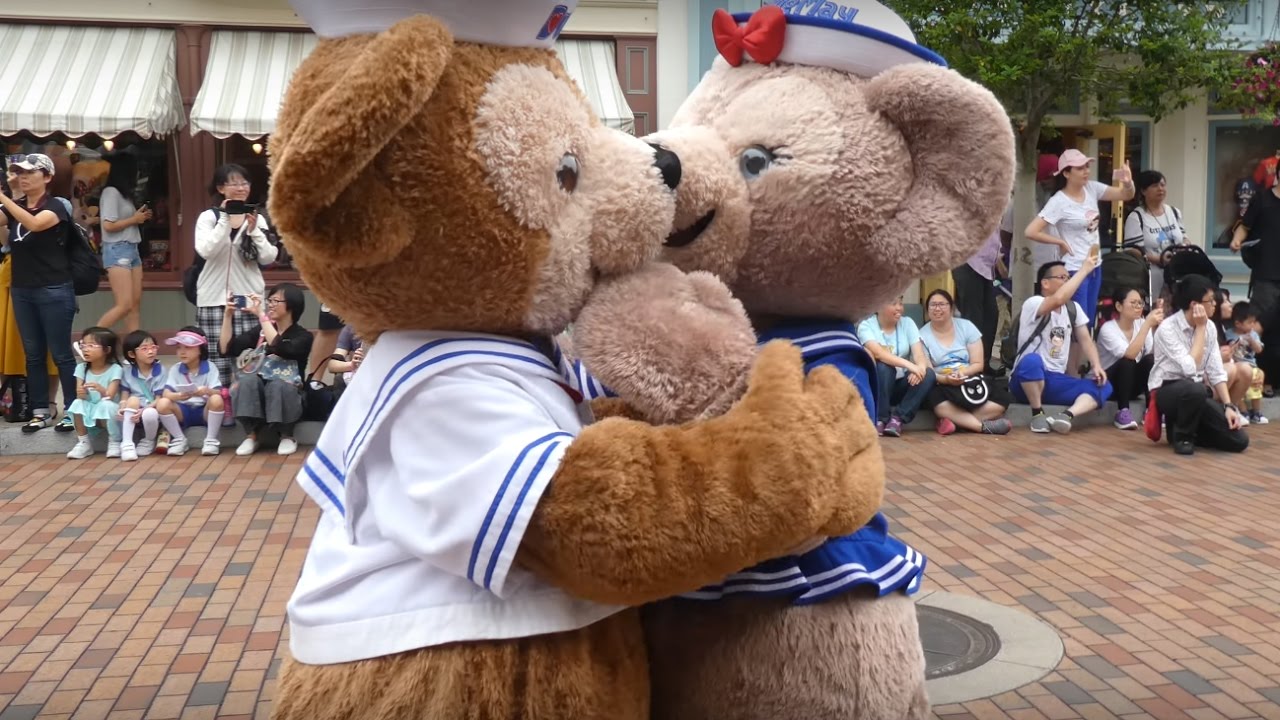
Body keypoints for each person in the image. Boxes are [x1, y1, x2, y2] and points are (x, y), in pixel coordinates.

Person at [0, 154, 77, 433]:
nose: (23, 177)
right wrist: (9, 193)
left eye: (30, 173)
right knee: (32, 355)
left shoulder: (57, 205)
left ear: (47, 177)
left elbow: (34, 224)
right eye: (19, 172)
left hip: (54, 288)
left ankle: (72, 410)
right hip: (22, 289)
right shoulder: (15, 205)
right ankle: (40, 410)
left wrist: (6, 198)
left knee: (61, 354)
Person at [1025, 150, 1135, 329]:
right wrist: (1059, 241)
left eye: (1086, 166)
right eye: (1079, 168)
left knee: (1088, 321)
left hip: (1094, 265)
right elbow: (1031, 231)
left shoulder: (1091, 188)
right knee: (1077, 323)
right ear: (1066, 173)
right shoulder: (1059, 201)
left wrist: (1128, 183)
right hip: (1074, 268)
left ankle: (1081, 357)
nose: (1086, 171)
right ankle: (1070, 357)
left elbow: (1125, 195)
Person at [194, 164, 279, 384]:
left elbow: (269, 257)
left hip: (249, 300)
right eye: (234, 183)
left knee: (250, 360)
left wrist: (254, 232)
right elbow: (206, 251)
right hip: (213, 300)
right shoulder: (208, 218)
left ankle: (248, 411)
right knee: (216, 360)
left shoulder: (256, 218)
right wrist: (224, 219)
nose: (241, 187)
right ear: (221, 188)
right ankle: (221, 409)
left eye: (245, 183)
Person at [1011, 254, 1113, 434]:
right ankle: (1037, 414)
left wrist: (1097, 366)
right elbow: (1057, 299)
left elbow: (1085, 340)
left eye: (1068, 277)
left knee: (1104, 385)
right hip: (1026, 380)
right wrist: (1084, 271)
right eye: (1062, 277)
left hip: (1055, 380)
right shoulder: (1034, 303)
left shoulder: (1073, 309)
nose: (1067, 281)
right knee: (1032, 361)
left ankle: (1066, 415)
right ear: (1045, 283)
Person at [1149, 274, 1249, 455]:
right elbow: (1190, 367)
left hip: (1196, 392)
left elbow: (1216, 371)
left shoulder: (1210, 326)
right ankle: (1182, 437)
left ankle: (1192, 431)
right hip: (1167, 390)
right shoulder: (1168, 328)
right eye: (1210, 301)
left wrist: (1228, 406)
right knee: (1196, 390)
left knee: (1239, 441)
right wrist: (1200, 328)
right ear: (1195, 305)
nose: (1214, 305)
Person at [221, 284, 313, 456]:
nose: (270, 304)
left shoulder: (304, 336)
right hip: (259, 395)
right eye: (269, 300)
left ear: (292, 305)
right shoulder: (260, 332)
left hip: (289, 396)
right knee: (247, 380)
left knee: (278, 384)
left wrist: (262, 316)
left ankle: (286, 435)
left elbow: (280, 348)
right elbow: (227, 349)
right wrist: (227, 315)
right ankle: (252, 435)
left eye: (276, 301)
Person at [919, 289, 1013, 435]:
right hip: (943, 382)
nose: (937, 308)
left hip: (969, 378)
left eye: (942, 304)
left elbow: (978, 364)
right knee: (934, 400)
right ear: (927, 310)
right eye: (933, 305)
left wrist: (962, 373)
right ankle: (981, 427)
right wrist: (947, 379)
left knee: (1002, 398)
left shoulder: (966, 327)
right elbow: (928, 371)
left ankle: (956, 422)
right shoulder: (921, 335)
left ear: (951, 308)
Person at [1230, 171, 1280, 398]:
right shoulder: (1262, 199)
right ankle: (1263, 380)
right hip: (1266, 273)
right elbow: (1245, 226)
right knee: (1261, 326)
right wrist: (1237, 239)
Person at [857, 295, 935, 437]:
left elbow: (919, 355)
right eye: (893, 303)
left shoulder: (908, 323)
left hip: (900, 385)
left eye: (900, 303)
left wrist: (921, 370)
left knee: (929, 374)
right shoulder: (866, 326)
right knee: (885, 367)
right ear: (878, 305)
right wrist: (911, 366)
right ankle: (880, 419)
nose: (899, 308)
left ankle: (897, 419)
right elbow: (879, 354)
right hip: (879, 385)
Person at [96, 153, 152, 332]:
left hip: (132, 248)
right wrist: (134, 219)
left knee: (134, 306)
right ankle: (90, 341)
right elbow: (108, 225)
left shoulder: (123, 194)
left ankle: (133, 352)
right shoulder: (111, 192)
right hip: (117, 248)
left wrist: (139, 217)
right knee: (124, 304)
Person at [1095, 287, 1160, 430]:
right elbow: (1129, 354)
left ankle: (1151, 410)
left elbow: (1150, 355)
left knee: (1150, 360)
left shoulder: (1142, 324)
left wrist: (1158, 328)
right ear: (1119, 306)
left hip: (1132, 385)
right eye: (1133, 303)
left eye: (1140, 303)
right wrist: (1147, 325)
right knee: (1127, 362)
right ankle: (1123, 411)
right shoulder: (1108, 329)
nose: (1138, 307)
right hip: (1109, 385)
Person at [118, 330, 187, 462]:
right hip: (134, 410)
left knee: (149, 412)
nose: (150, 351)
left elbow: (159, 399)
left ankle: (149, 439)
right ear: (132, 354)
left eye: (153, 347)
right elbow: (124, 395)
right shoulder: (126, 372)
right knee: (132, 400)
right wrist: (122, 407)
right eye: (144, 348)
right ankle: (127, 445)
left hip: (153, 410)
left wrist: (143, 410)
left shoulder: (160, 370)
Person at [953, 203, 1007, 367]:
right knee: (973, 317)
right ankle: (972, 366)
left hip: (987, 264)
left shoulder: (996, 198)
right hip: (967, 260)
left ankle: (983, 363)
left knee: (991, 315)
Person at [161, 327, 226, 457]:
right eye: (179, 348)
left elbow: (218, 392)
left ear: (200, 350)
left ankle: (211, 440)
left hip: (204, 410)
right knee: (163, 403)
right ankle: (179, 439)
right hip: (183, 410)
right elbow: (166, 393)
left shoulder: (210, 367)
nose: (182, 352)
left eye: (188, 347)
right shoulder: (175, 369)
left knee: (216, 400)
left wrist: (206, 391)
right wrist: (178, 396)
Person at [1123, 170, 1185, 303]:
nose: (1160, 189)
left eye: (1163, 185)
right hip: (1151, 274)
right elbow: (1132, 251)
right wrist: (1158, 259)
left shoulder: (1174, 212)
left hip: (1177, 272)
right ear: (1144, 191)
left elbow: (1184, 237)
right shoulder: (1136, 217)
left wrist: (1185, 248)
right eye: (1155, 186)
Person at [65, 327, 123, 460]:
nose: (85, 349)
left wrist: (100, 389)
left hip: (111, 411)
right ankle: (84, 443)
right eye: (83, 345)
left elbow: (111, 396)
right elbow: (80, 396)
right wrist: (82, 392)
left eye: (91, 345)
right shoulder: (81, 368)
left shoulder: (115, 369)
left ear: (107, 350)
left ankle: (115, 441)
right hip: (92, 410)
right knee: (77, 403)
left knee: (106, 404)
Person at [1224, 301, 1269, 425]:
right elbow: (1228, 350)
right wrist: (1237, 342)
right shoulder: (1229, 333)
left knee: (1256, 386)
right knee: (1240, 390)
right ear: (1238, 323)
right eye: (1250, 322)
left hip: (1252, 365)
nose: (1253, 325)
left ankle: (1256, 412)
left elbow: (1259, 350)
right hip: (1237, 365)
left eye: (1254, 322)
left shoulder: (1253, 334)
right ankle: (1243, 411)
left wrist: (1252, 341)